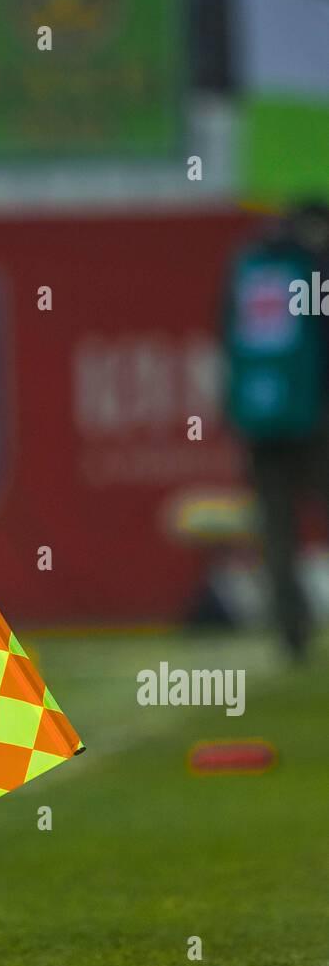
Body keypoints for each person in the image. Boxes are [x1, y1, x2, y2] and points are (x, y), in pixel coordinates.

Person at [223, 202, 329, 659]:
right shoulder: (312, 267)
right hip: (312, 416)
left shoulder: (246, 266)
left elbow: (224, 339)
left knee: (278, 531)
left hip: (261, 419)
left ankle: (292, 632)